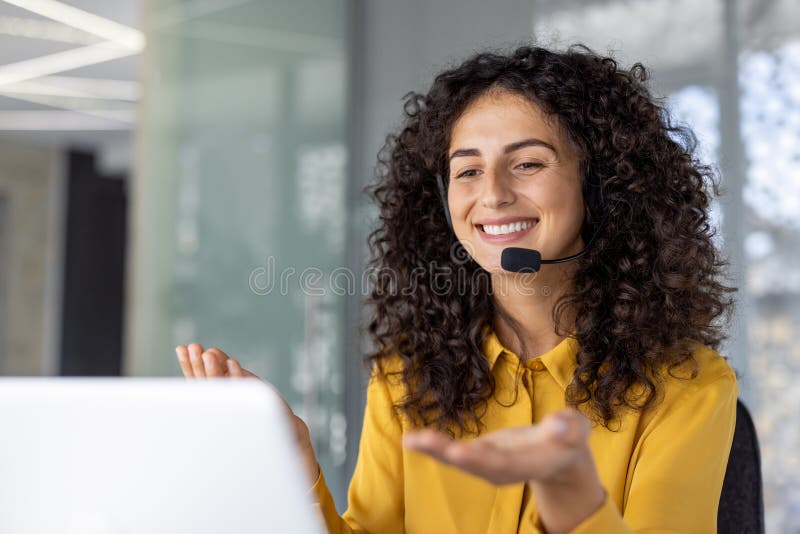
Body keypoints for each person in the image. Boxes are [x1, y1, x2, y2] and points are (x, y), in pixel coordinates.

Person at [176, 44, 738, 533]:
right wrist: (294, 464)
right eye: (467, 171)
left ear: (602, 186)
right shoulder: (407, 377)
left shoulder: (688, 385)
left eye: (527, 163)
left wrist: (572, 497)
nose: (491, 194)